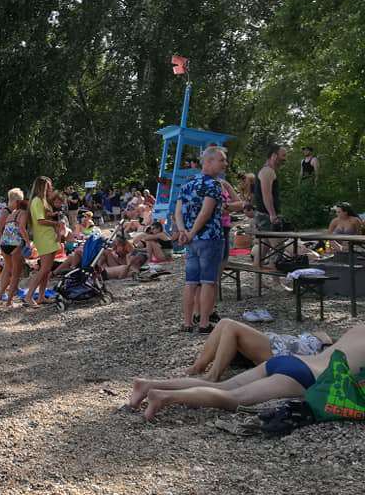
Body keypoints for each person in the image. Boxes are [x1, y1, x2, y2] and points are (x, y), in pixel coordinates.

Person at [129, 323, 365, 421]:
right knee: (233, 399)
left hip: (290, 360)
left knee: (222, 386)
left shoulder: (358, 328)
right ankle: (164, 397)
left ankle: (148, 384)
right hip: (305, 377)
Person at [174, 146, 228, 334]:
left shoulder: (187, 184)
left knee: (190, 282)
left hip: (191, 242)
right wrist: (191, 232)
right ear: (209, 161)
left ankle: (187, 323)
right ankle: (204, 323)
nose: (225, 163)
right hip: (210, 238)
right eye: (221, 160)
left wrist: (183, 232)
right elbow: (206, 213)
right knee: (208, 282)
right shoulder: (214, 185)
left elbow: (178, 212)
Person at [186, 318, 330, 382]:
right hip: (276, 341)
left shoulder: (329, 351)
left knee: (231, 326)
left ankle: (212, 376)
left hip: (280, 351)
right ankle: (199, 366)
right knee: (224, 322)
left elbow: (326, 352)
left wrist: (328, 345)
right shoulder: (325, 340)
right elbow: (321, 332)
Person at [25, 176, 61, 307]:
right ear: (43, 187)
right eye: (48, 186)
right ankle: (29, 296)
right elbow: (40, 221)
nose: (51, 188)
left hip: (48, 236)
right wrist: (55, 223)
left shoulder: (42, 201)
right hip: (44, 237)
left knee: (46, 269)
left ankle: (41, 296)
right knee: (44, 269)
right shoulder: (37, 201)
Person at [0, 194, 30, 307]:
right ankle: (9, 302)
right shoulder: (24, 213)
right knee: (16, 275)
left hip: (4, 243)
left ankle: (0, 294)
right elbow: (21, 228)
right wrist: (28, 242)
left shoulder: (12, 214)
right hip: (15, 243)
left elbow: (3, 228)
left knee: (8, 271)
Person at [254, 144, 287, 233]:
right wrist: (272, 215)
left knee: (265, 246)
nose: (285, 159)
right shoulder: (267, 171)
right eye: (283, 155)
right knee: (278, 246)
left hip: (264, 216)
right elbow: (267, 195)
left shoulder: (268, 171)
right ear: (274, 156)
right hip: (267, 217)